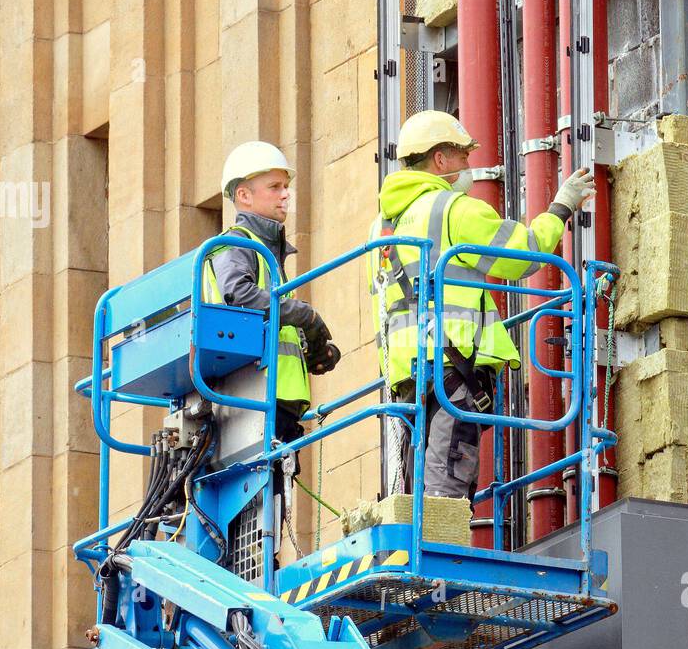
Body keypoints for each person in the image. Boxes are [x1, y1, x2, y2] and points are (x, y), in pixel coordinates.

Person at [369, 111, 595, 501]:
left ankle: (411, 553)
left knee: (415, 491)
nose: (469, 166)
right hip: (454, 369)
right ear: (440, 160)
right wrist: (561, 207)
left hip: (405, 379)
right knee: (444, 491)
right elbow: (523, 256)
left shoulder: (382, 228)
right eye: (462, 156)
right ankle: (437, 555)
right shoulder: (452, 208)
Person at [203, 141, 340, 490]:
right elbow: (241, 295)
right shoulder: (237, 244)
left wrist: (311, 349)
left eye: (286, 186)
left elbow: (274, 326)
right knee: (259, 514)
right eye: (275, 187)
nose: (285, 195)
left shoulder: (267, 256)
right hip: (252, 397)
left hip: (277, 401)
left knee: (272, 516)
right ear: (245, 195)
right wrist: (306, 316)